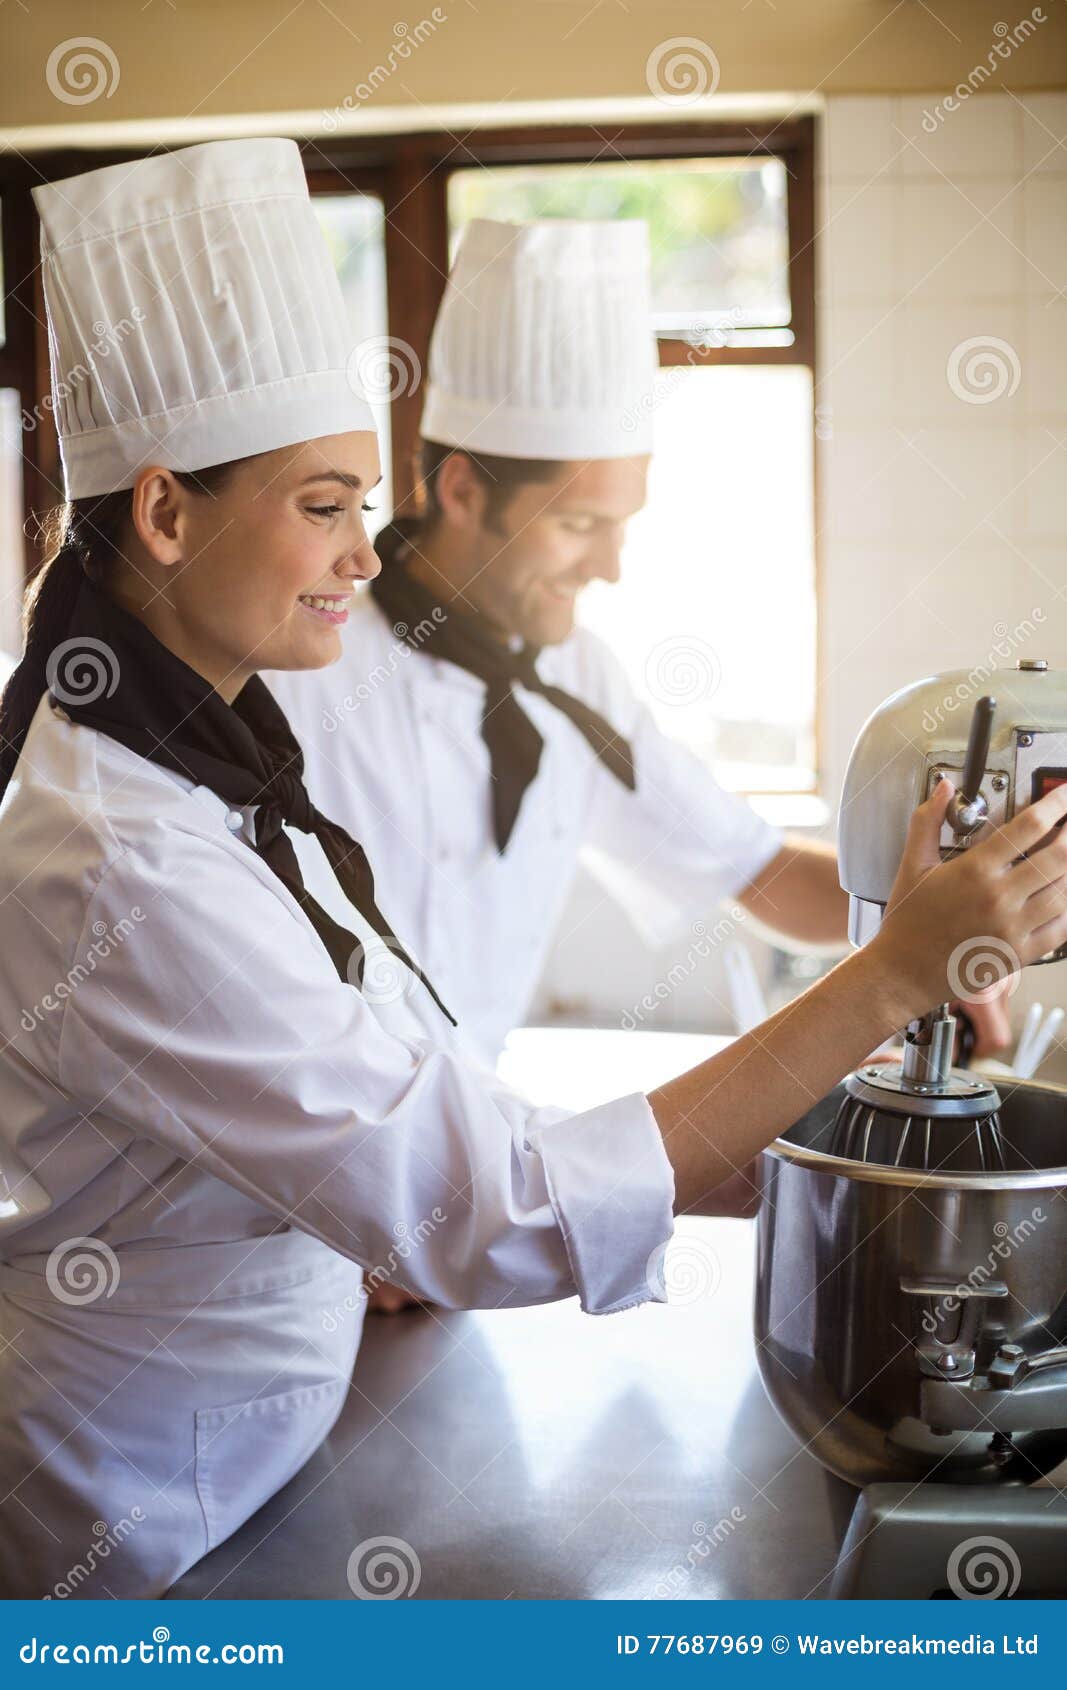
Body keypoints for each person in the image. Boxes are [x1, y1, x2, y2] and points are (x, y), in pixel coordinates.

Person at [0, 141, 1059, 1602]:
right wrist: (887, 974)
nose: (357, 558)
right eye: (321, 506)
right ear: (168, 515)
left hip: (299, 1372)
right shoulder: (131, 844)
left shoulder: (202, 739)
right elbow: (474, 1198)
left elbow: (407, 1079)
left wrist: (765, 1128)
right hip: (138, 1508)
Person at [268, 218, 1011, 1078]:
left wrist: (935, 915)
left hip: (469, 1140)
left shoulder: (577, 678)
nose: (611, 569)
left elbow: (755, 866)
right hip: (296, 1167)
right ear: (464, 487)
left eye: (621, 527)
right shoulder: (302, 658)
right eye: (579, 524)